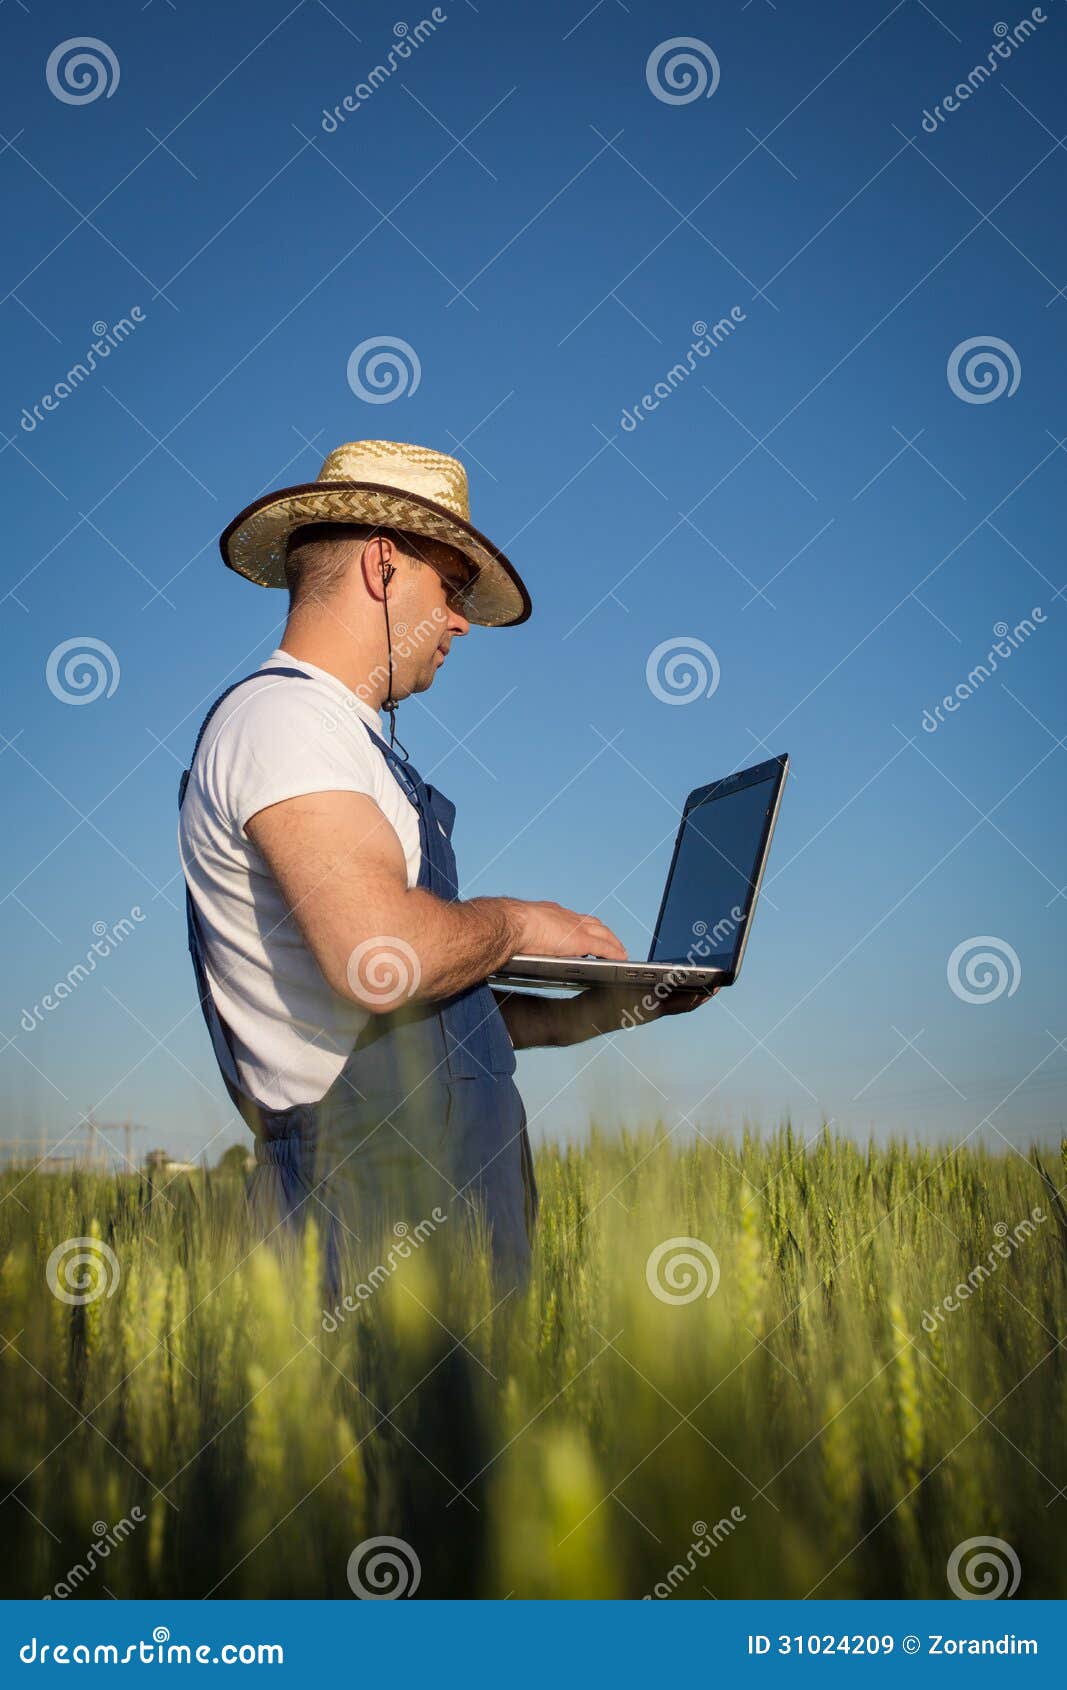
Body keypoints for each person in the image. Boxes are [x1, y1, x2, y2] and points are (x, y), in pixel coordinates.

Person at [178, 439, 714, 1297]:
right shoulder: (284, 722)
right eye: (452, 589)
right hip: (370, 1220)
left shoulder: (336, 738)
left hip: (421, 1213)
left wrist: (601, 1012)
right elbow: (375, 954)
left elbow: (432, 1022)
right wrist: (521, 924)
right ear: (385, 568)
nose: (461, 621)